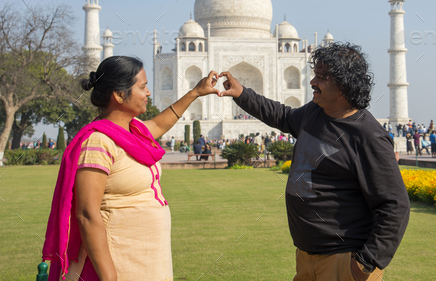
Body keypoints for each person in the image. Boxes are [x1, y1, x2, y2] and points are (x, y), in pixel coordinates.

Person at [219, 42, 410, 280]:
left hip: (344, 259)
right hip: (307, 255)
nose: (313, 82)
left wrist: (368, 261)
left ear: (343, 85)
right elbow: (283, 116)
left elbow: (394, 205)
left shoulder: (366, 136)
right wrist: (242, 93)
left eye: (322, 77)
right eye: (315, 75)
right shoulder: (315, 112)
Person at [42, 57, 220, 280]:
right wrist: (109, 277)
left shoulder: (133, 131)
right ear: (118, 94)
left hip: (146, 257)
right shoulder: (99, 142)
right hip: (119, 259)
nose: (148, 93)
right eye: (142, 87)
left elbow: (158, 124)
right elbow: (87, 214)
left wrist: (195, 92)